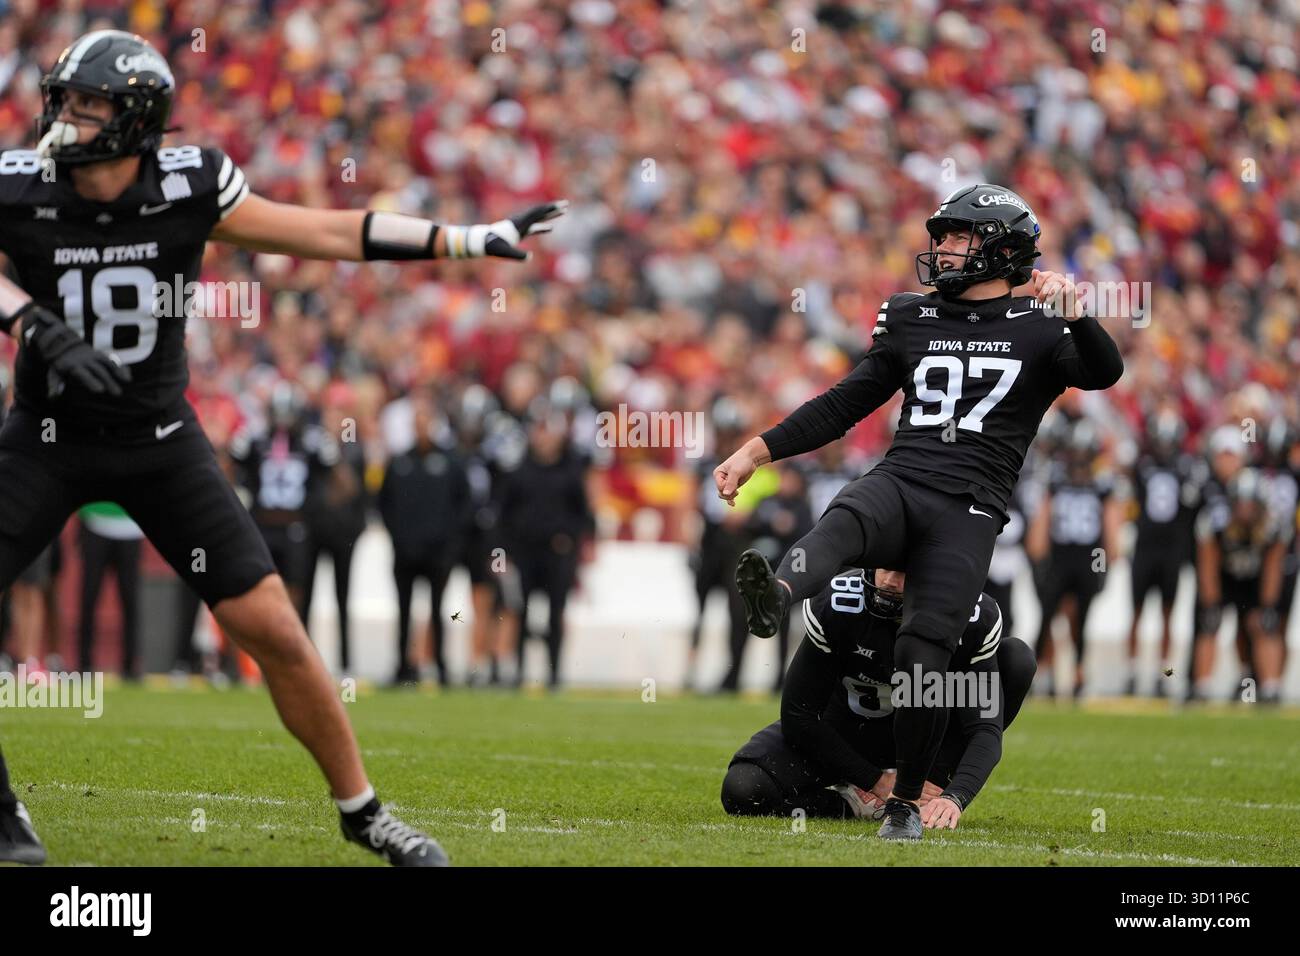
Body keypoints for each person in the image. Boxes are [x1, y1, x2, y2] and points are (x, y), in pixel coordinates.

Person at [0, 30, 565, 865]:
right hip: (44, 439)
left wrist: (467, 238)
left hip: (157, 439)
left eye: (89, 105)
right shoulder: (24, 185)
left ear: (135, 121)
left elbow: (327, 232)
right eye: (67, 100)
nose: (67, 118)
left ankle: (363, 810)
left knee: (271, 623)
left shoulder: (189, 184)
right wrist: (25, 316)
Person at [714, 184, 1122, 839]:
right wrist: (757, 451)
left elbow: (1104, 372)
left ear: (1002, 249)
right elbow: (845, 402)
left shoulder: (1042, 322)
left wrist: (1079, 316)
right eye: (944, 237)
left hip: (970, 507)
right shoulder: (911, 315)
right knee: (848, 512)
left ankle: (904, 803)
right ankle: (780, 591)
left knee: (922, 652)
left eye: (960, 237)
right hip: (905, 477)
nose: (943, 249)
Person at [721, 568, 1035, 828]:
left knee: (1016, 659)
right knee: (744, 788)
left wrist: (953, 794)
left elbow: (984, 729)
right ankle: (850, 804)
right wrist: (873, 780)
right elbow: (798, 715)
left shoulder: (971, 615)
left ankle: (929, 791)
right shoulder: (840, 603)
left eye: (904, 573)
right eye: (886, 567)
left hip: (928, 742)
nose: (888, 581)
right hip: (848, 732)